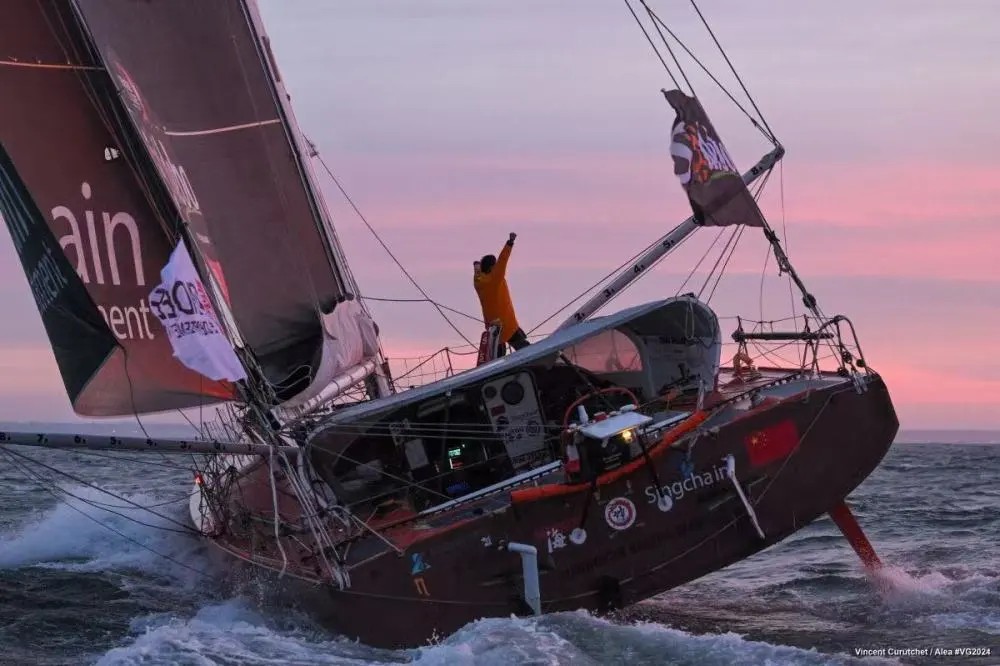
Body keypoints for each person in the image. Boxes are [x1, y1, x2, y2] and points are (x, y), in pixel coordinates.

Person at [473, 232, 530, 355]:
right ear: (492, 268)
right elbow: (503, 260)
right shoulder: (495, 278)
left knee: (498, 357)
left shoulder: (478, 282)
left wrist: (477, 265)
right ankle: (536, 362)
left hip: (493, 328)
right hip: (507, 324)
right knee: (525, 349)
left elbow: (477, 272)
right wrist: (510, 243)